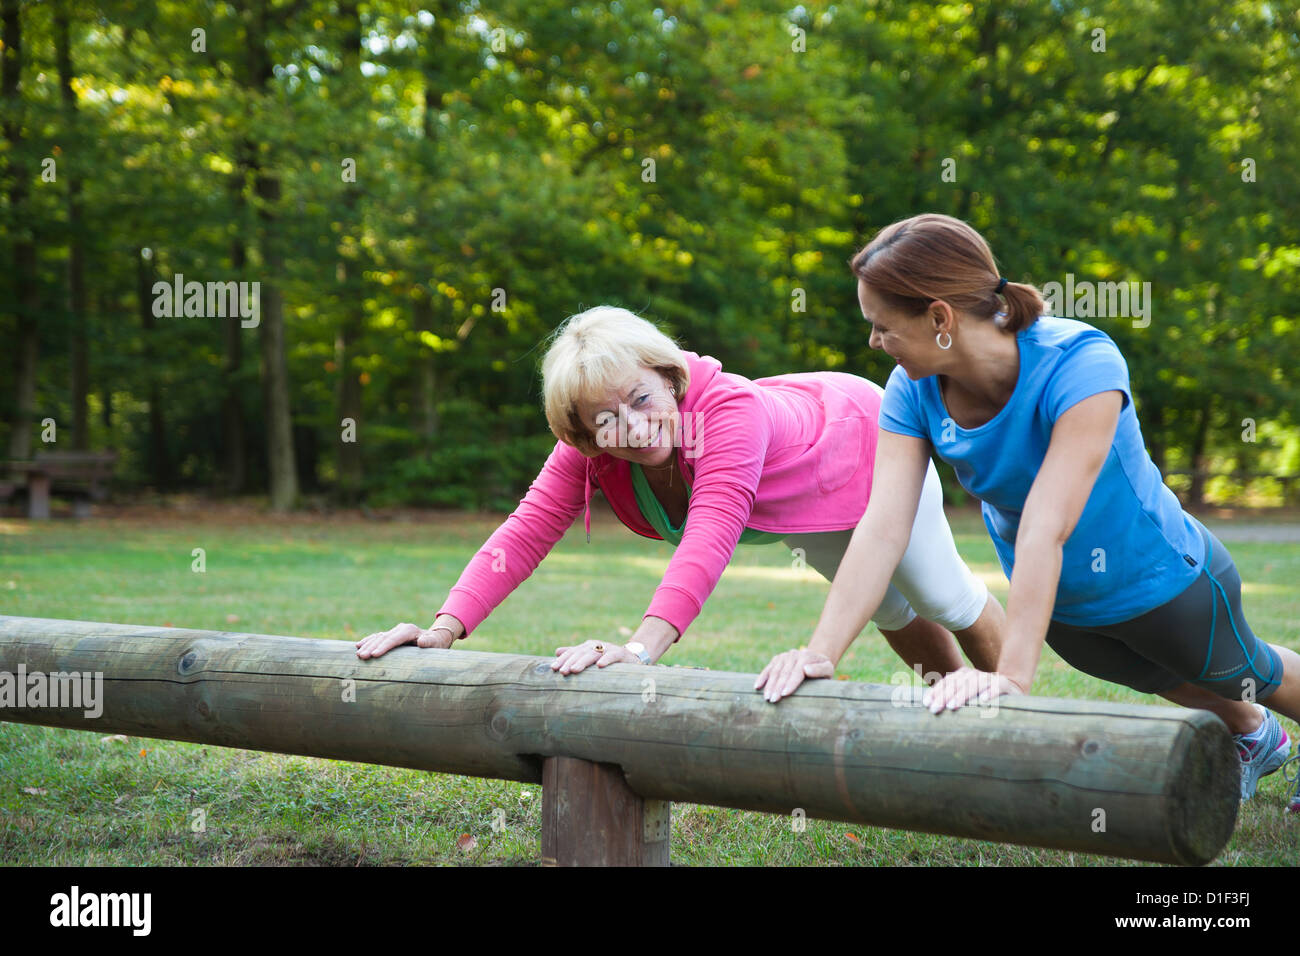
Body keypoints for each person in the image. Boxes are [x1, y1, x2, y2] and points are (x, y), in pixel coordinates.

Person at [755, 213, 1300, 808]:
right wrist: (820, 653)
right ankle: (1255, 735)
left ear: (939, 318)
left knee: (1252, 673)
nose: (874, 341)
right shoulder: (912, 390)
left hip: (1165, 583)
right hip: (1060, 605)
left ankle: (1256, 720)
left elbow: (1047, 521)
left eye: (881, 326)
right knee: (1160, 677)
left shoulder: (1081, 362)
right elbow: (884, 526)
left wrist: (1012, 676)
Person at [355, 305, 1005, 683]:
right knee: (894, 613)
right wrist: (444, 628)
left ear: (669, 377)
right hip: (799, 505)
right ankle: (960, 734)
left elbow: (710, 532)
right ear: (581, 430)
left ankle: (1027, 718)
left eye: (641, 399)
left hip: (860, 443)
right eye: (605, 420)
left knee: (942, 595)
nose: (631, 428)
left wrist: (638, 652)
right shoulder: (589, 447)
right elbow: (524, 532)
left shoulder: (729, 415)